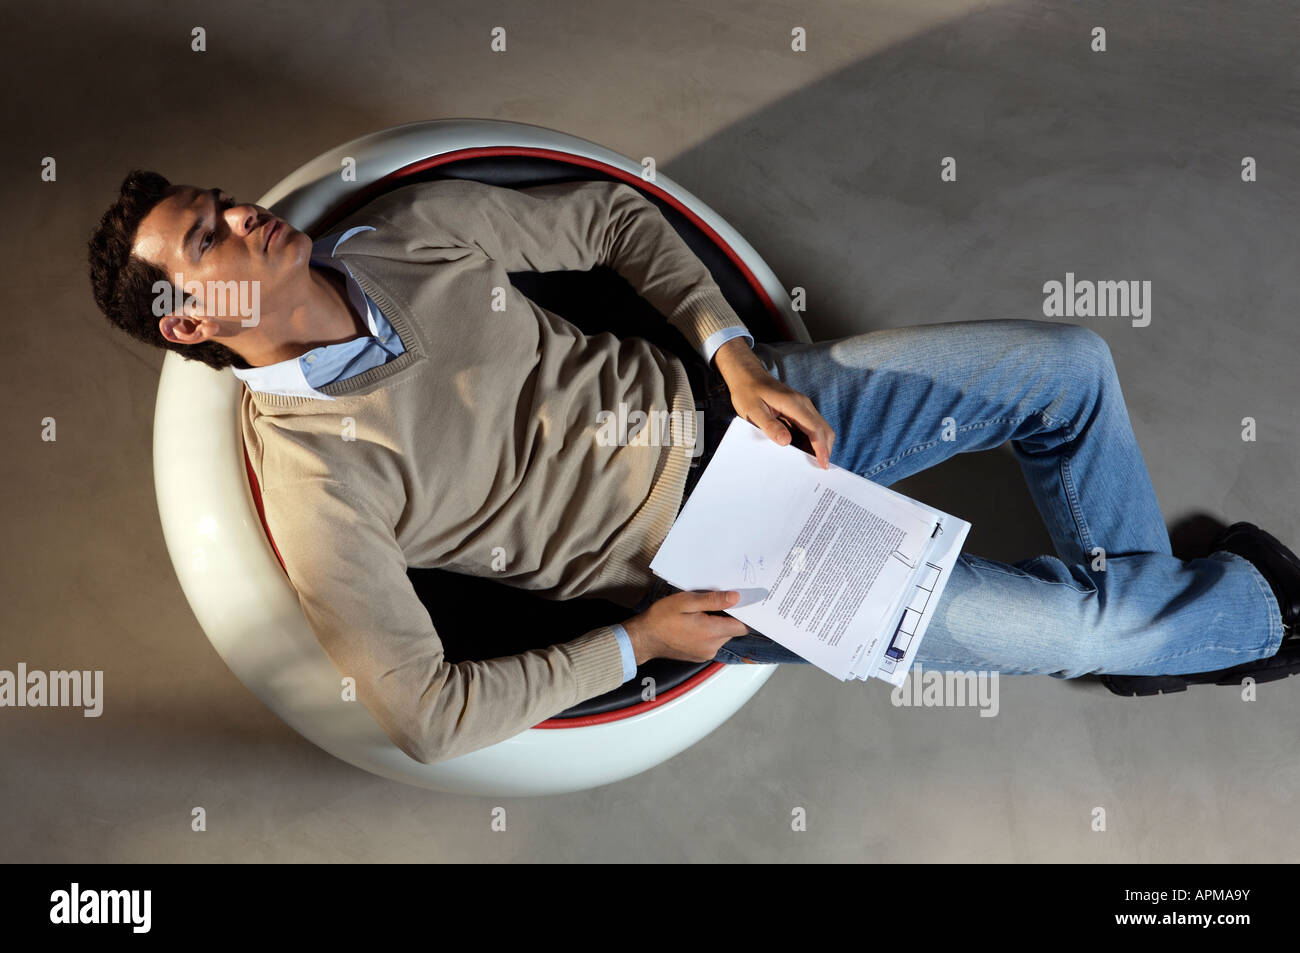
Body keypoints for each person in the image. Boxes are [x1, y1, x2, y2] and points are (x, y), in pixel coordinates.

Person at [88, 170, 1299, 762]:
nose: (246, 217)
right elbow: (422, 713)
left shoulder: (402, 238)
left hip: (759, 408)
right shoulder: (312, 478)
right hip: (717, 556)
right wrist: (640, 643)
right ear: (190, 322)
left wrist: (733, 361)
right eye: (210, 237)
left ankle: (1159, 633)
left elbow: (609, 220)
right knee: (1078, 627)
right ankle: (1251, 610)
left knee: (1071, 364)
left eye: (224, 201)